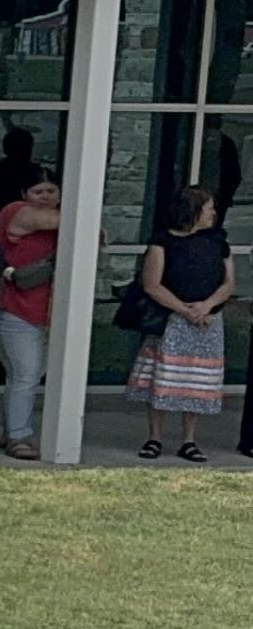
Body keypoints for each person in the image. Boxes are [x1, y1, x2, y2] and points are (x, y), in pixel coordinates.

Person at [131, 185, 234, 461]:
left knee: (198, 380)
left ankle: (189, 439)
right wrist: (185, 310)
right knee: (164, 376)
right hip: (172, 319)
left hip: (208, 319)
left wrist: (207, 306)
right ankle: (154, 437)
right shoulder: (163, 241)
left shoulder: (217, 241)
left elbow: (228, 282)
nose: (213, 213)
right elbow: (152, 284)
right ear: (194, 210)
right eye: (209, 208)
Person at [0, 177, 61, 456]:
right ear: (24, 193)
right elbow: (58, 221)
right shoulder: (15, 211)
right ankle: (19, 437)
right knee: (26, 375)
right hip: (14, 309)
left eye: (51, 190)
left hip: (43, 313)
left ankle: (10, 430)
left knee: (21, 375)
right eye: (37, 190)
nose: (44, 195)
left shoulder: (59, 223)